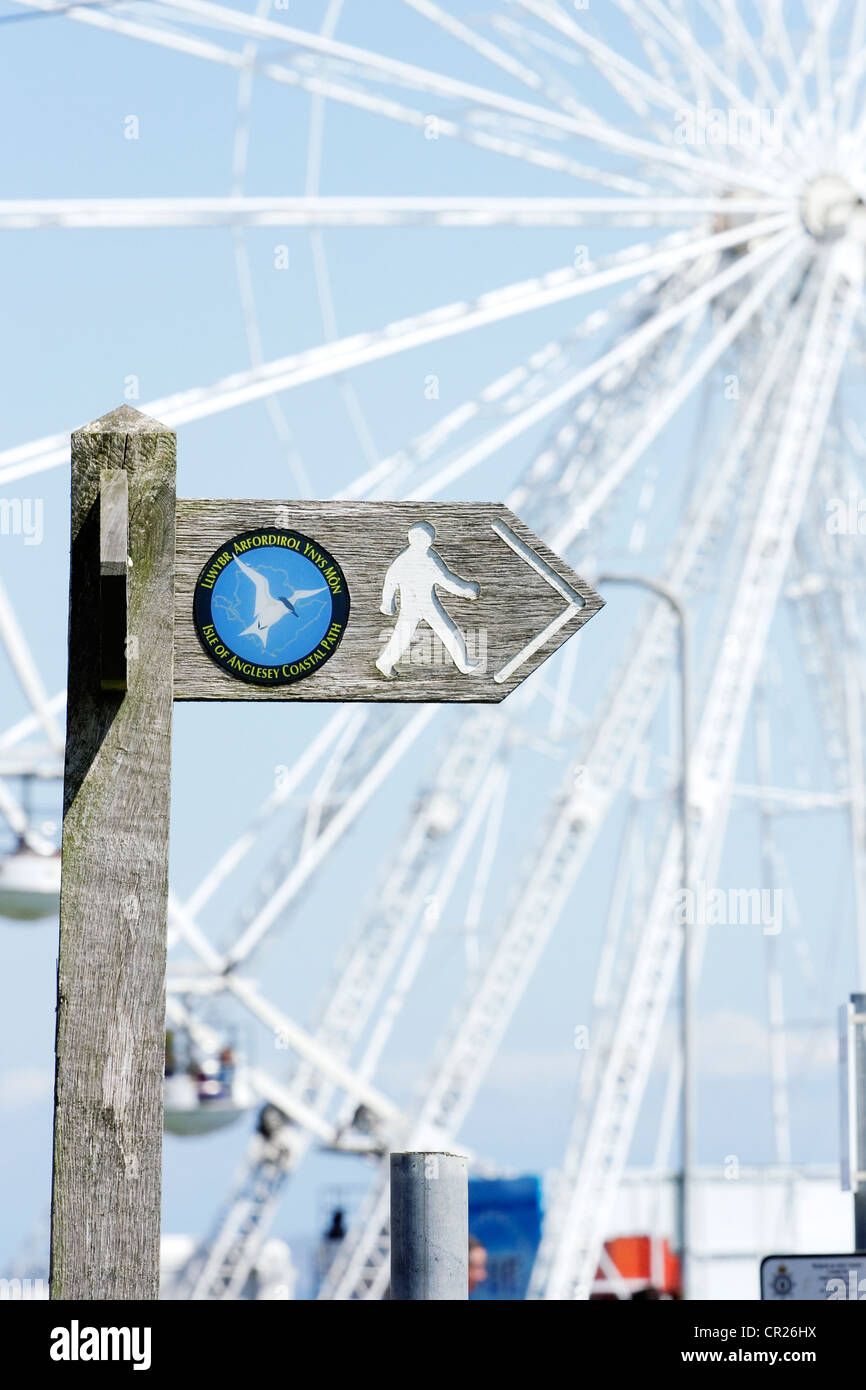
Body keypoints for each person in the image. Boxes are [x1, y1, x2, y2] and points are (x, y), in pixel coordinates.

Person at [376, 522, 480, 677]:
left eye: (423, 538)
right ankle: (384, 662)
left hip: (427, 604)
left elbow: (446, 580)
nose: (420, 542)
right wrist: (467, 590)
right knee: (406, 635)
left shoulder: (419, 558)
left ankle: (464, 664)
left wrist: (388, 604)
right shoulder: (422, 559)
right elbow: (447, 580)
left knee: (448, 632)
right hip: (413, 606)